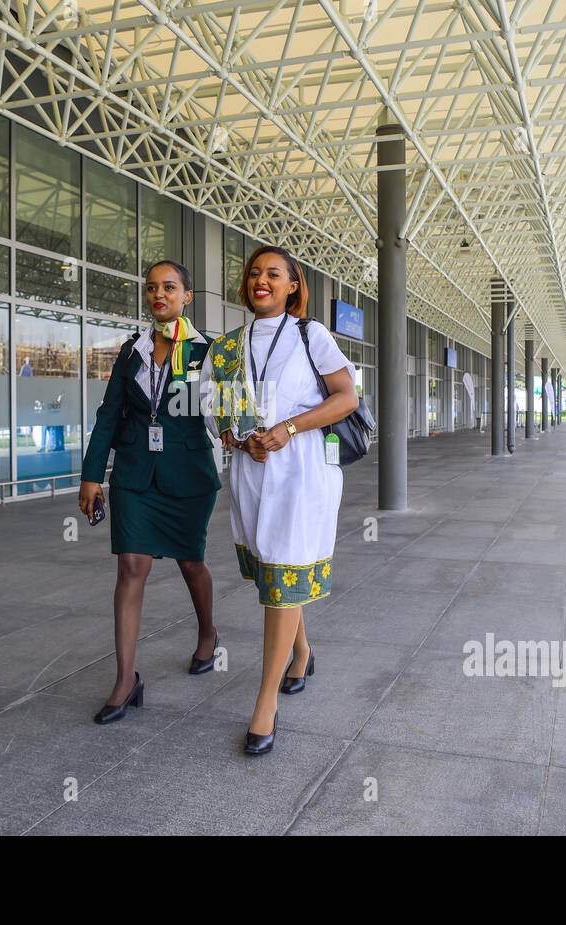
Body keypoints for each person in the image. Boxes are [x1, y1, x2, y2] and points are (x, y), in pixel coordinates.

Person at [200, 245, 359, 756]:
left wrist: (289, 428)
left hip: (303, 471)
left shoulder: (312, 335)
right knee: (274, 573)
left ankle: (265, 702)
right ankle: (302, 653)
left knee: (284, 571)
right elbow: (213, 412)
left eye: (273, 274)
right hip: (252, 470)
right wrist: (236, 436)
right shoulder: (224, 348)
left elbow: (345, 397)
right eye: (253, 274)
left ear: (294, 285)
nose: (260, 281)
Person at [77, 261, 221, 725]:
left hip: (189, 475)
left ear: (187, 296)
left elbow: (228, 411)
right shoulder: (131, 352)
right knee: (131, 566)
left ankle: (207, 632)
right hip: (136, 474)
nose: (159, 294)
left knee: (190, 560)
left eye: (170, 287)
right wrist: (92, 474)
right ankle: (125, 679)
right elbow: (108, 415)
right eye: (152, 288)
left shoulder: (207, 352)